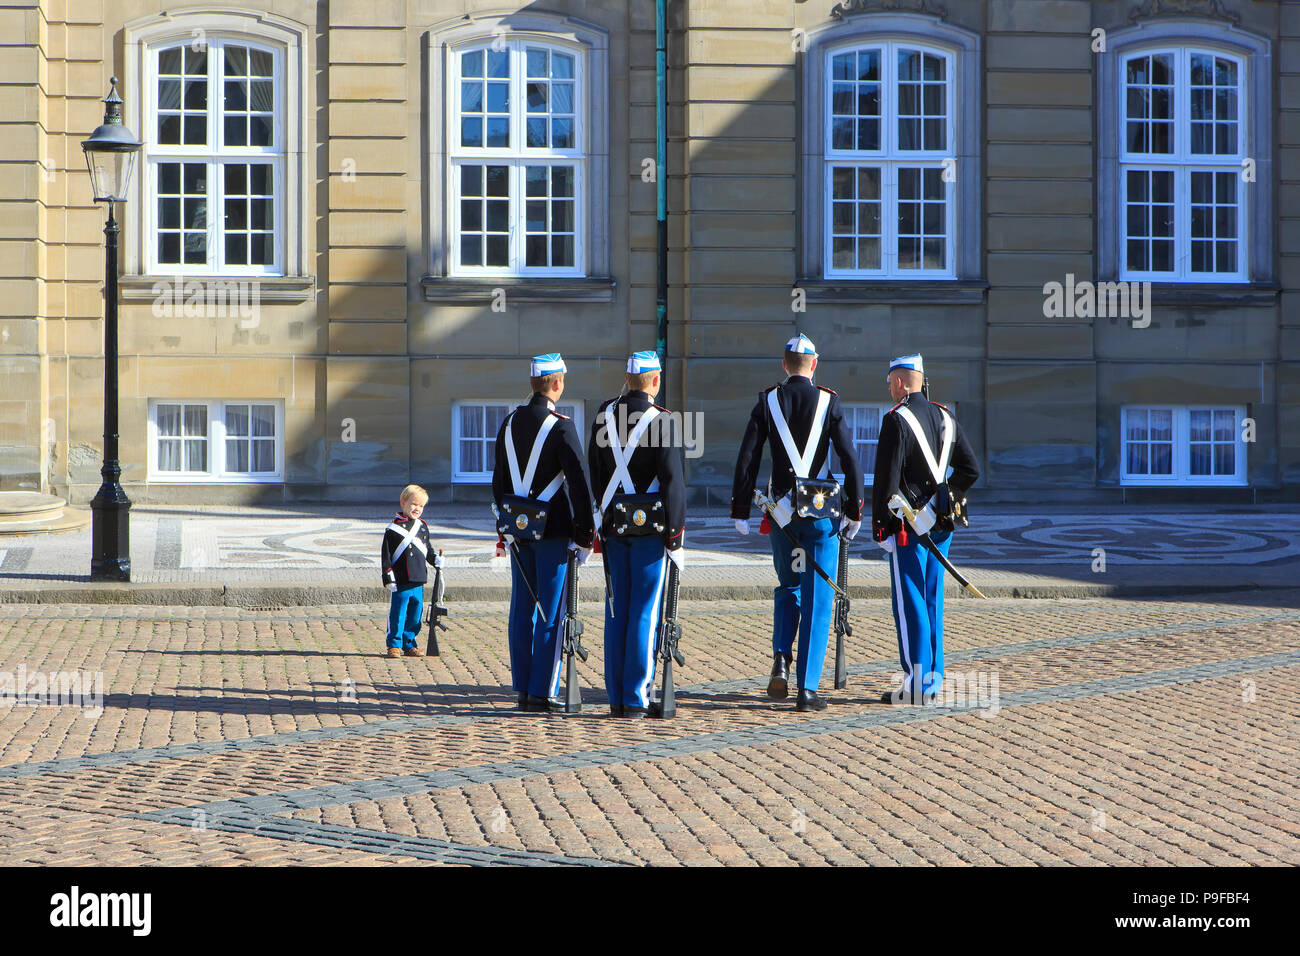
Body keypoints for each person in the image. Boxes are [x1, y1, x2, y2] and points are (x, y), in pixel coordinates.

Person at [731, 333, 864, 712]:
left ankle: (781, 658)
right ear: (814, 365)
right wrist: (854, 510)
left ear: (784, 364)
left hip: (782, 516)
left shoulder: (767, 400)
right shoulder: (829, 401)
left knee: (789, 585)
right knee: (819, 599)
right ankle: (806, 689)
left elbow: (748, 457)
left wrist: (741, 508)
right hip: (821, 517)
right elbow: (851, 461)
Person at [871, 353, 980, 705]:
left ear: (902, 381)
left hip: (908, 527)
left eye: (890, 381)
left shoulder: (896, 420)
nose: (888, 387)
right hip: (941, 526)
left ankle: (916, 682)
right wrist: (944, 499)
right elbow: (970, 469)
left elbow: (885, 484)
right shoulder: (946, 417)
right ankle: (933, 679)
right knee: (933, 600)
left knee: (910, 603)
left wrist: (882, 529)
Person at [493, 353, 596, 712]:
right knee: (550, 612)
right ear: (556, 383)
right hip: (553, 532)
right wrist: (585, 535)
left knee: (521, 609)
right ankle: (542, 691)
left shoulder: (508, 423)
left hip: (519, 532)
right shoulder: (562, 426)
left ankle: (522, 686)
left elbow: (499, 481)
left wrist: (503, 528)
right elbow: (581, 485)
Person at [588, 350, 686, 718]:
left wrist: (601, 515)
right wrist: (675, 535)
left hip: (613, 525)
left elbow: (595, 470)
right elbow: (674, 483)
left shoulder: (603, 415)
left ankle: (616, 694)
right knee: (644, 612)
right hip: (650, 531)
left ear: (627, 379)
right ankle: (636, 697)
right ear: (655, 380)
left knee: (617, 611)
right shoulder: (663, 420)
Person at [380, 484, 440, 658]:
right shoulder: (392, 529)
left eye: (421, 506)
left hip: (418, 578)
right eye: (414, 504)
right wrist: (388, 576)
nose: (417, 509)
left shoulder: (422, 526)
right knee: (398, 614)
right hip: (400, 579)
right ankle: (394, 644)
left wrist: (435, 559)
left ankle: (409, 642)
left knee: (415, 615)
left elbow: (426, 549)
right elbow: (386, 556)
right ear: (403, 502)